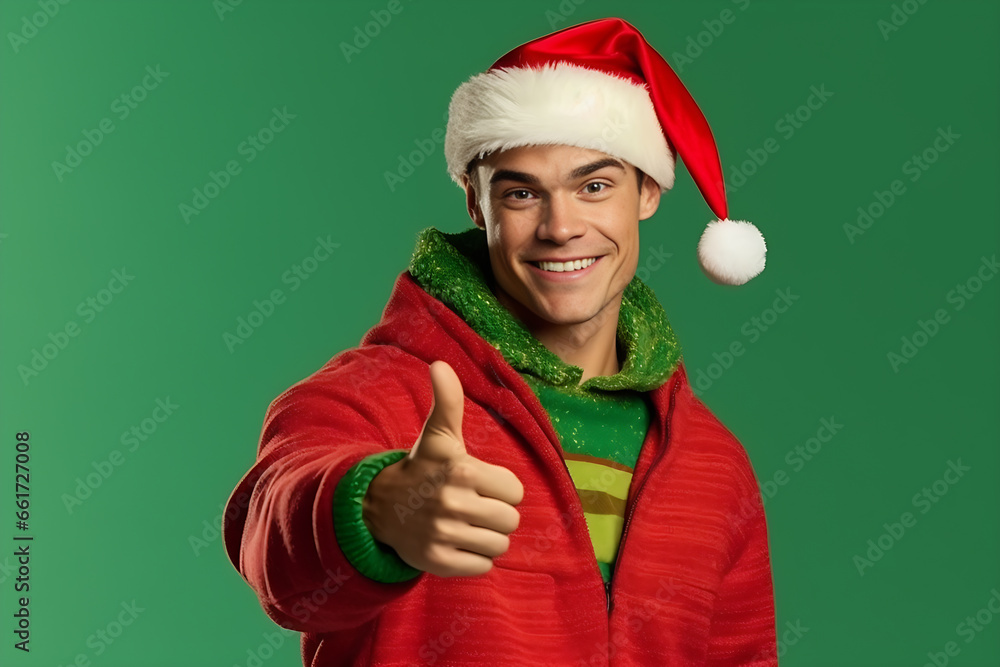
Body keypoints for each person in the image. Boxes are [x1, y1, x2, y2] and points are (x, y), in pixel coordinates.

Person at [223, 17, 776, 666]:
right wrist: (378, 506)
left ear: (648, 191)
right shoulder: (376, 396)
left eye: (593, 186)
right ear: (476, 204)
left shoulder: (714, 462)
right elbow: (271, 527)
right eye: (520, 193)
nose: (561, 226)